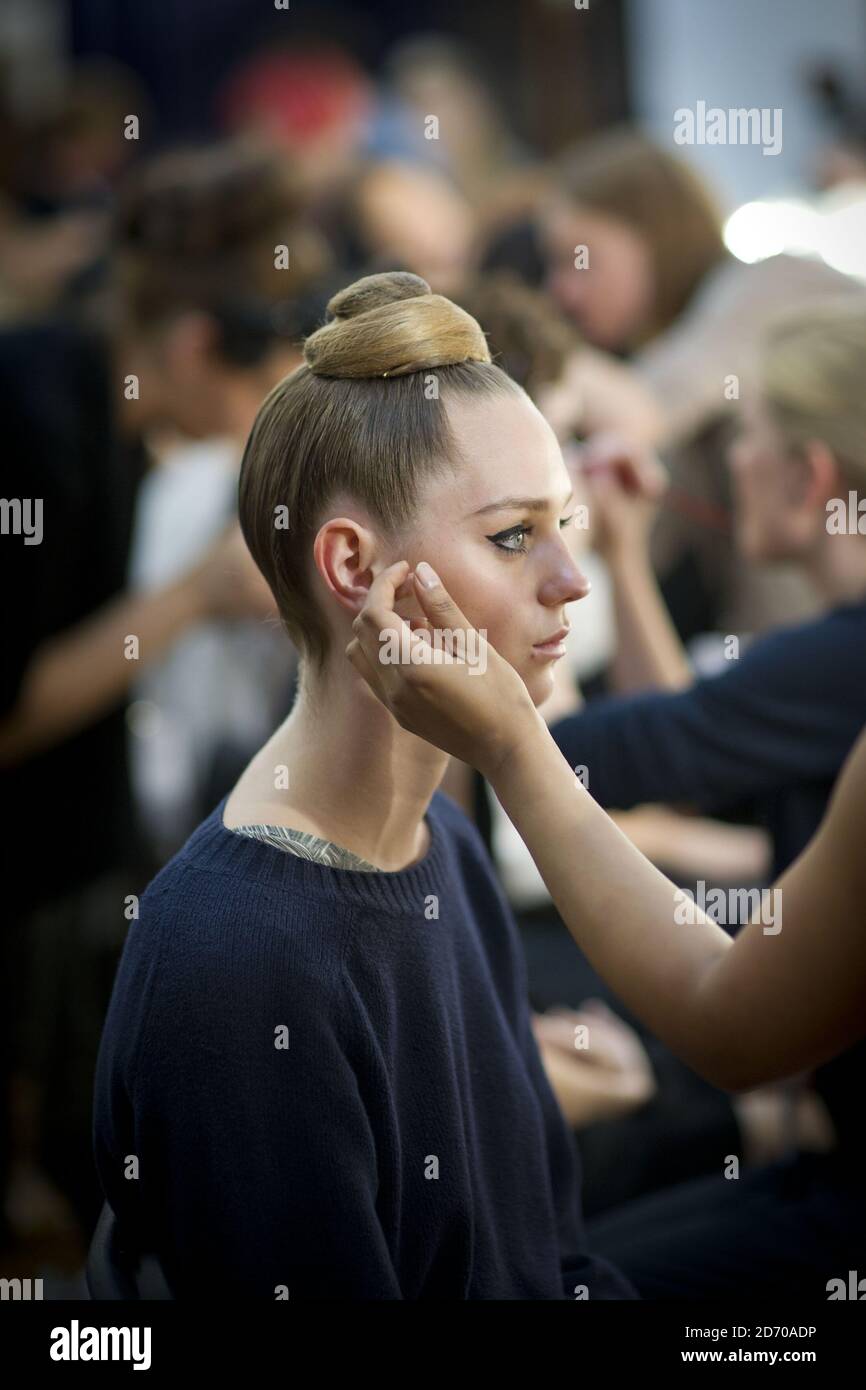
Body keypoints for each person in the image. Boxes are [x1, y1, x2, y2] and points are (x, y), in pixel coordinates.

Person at [93, 270, 635, 1300]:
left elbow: (544, 1257)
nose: (571, 578)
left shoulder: (443, 838)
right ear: (352, 567)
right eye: (512, 533)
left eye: (564, 524)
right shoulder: (234, 961)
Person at [0, 138, 320, 1248]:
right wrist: (192, 597)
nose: (251, 429)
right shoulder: (29, 417)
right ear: (191, 345)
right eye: (254, 397)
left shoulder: (120, 417)